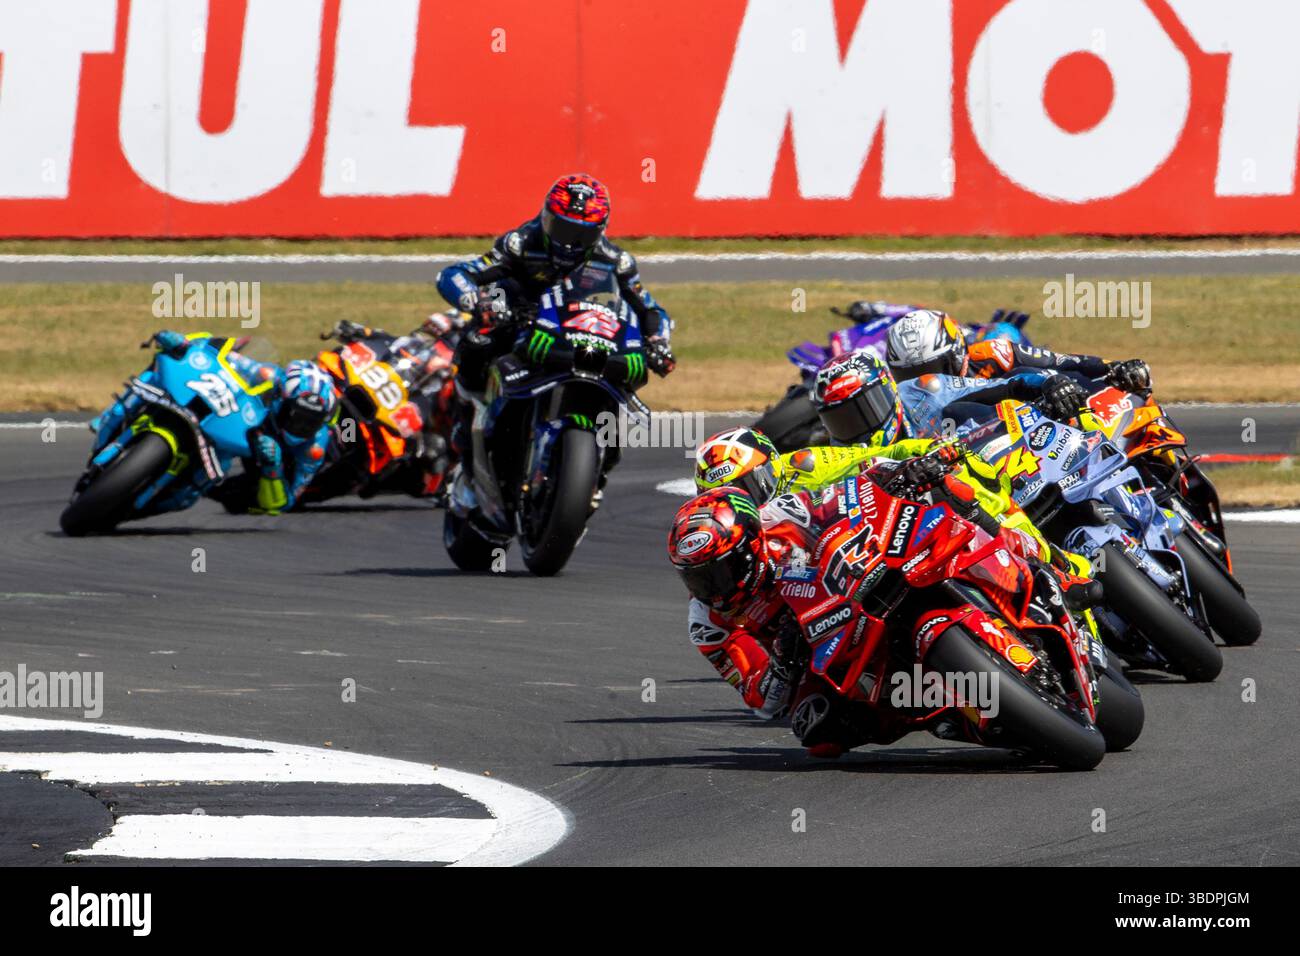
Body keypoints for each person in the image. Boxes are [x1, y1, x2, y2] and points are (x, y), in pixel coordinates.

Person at [435, 174, 675, 461]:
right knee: (477, 341)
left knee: (620, 372)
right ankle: (466, 423)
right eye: (562, 229)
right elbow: (456, 274)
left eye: (582, 235)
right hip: (522, 322)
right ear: (546, 217)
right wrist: (477, 300)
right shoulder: (520, 243)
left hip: (582, 332)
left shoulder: (615, 261)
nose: (570, 243)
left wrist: (658, 341)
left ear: (599, 232)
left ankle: (601, 453)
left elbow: (650, 309)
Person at [883, 309, 1151, 432]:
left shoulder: (992, 354)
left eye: (928, 369)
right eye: (908, 375)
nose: (919, 381)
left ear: (955, 353)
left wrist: (1110, 367)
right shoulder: (906, 408)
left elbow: (1061, 361)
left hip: (1047, 424)